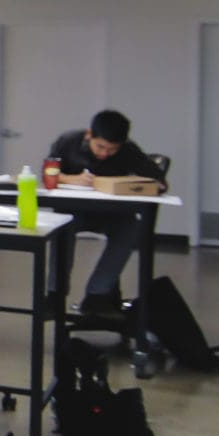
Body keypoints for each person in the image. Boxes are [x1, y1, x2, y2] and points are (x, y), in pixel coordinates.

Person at [44, 109, 169, 313]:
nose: (104, 153)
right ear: (89, 135)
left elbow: (159, 181)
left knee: (131, 228)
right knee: (62, 229)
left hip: (113, 214)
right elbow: (48, 174)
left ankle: (97, 294)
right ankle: (55, 294)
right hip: (73, 212)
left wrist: (151, 185)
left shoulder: (129, 150)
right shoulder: (68, 142)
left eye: (112, 149)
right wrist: (70, 179)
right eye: (100, 146)